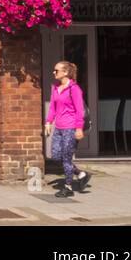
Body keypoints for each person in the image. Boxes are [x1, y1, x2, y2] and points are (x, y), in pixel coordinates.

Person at [45, 60, 89, 197]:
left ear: (65, 72)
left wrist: (79, 128)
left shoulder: (74, 89)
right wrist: (48, 122)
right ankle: (81, 174)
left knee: (66, 158)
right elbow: (52, 107)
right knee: (56, 155)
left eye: (56, 70)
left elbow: (80, 110)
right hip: (58, 127)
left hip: (70, 128)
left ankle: (68, 187)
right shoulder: (55, 88)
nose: (54, 72)